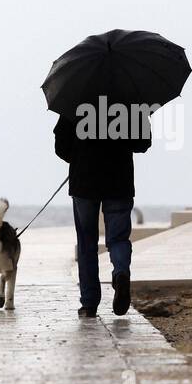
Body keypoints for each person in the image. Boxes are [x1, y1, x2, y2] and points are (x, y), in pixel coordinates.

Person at [54, 114, 150, 317]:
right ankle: (121, 273)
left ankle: (89, 304)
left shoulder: (76, 95)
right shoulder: (129, 99)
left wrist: (80, 155)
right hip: (119, 180)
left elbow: (61, 144)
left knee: (87, 243)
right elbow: (143, 142)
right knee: (118, 239)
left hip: (84, 182)